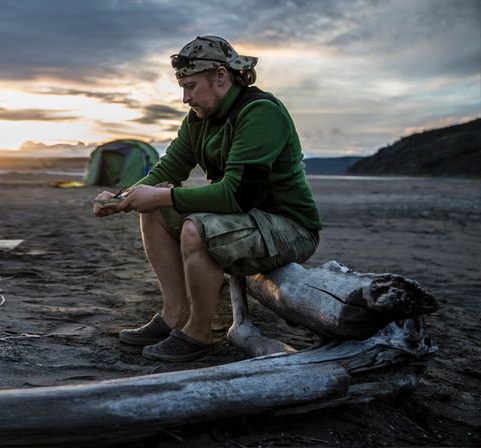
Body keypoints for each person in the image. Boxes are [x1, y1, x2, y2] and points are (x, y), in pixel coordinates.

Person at [93, 36, 322, 362]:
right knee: (154, 209)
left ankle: (199, 332)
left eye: (191, 86)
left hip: (288, 226)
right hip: (243, 218)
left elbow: (237, 195)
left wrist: (162, 195)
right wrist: (121, 198)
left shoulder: (260, 113)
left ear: (221, 77)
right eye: (182, 88)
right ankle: (173, 315)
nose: (185, 98)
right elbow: (168, 169)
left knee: (195, 228)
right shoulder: (198, 120)